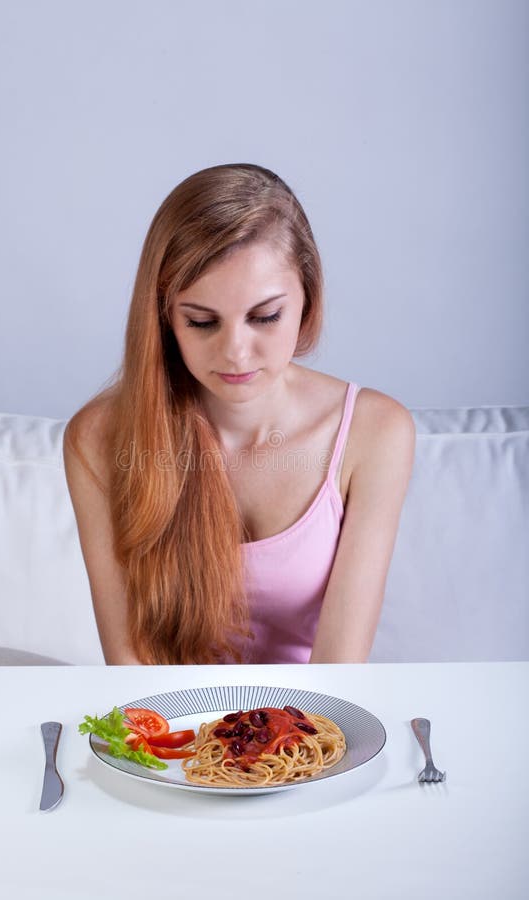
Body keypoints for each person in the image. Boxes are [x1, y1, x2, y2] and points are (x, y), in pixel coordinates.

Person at [63, 162, 416, 666]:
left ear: (307, 301)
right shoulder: (97, 440)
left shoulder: (375, 432)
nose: (236, 353)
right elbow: (130, 667)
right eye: (202, 322)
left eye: (265, 316)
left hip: (309, 731)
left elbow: (339, 671)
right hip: (172, 732)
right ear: (165, 319)